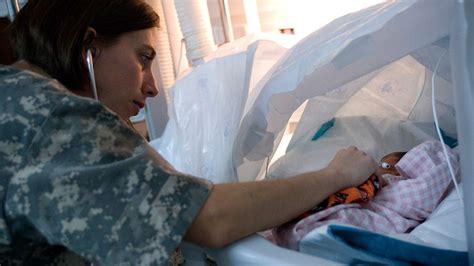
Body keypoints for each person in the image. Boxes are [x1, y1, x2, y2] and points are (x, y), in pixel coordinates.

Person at [0, 0, 376, 264]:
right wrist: (336, 174)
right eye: (143, 59)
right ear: (89, 47)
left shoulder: (18, 94)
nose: (152, 88)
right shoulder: (55, 119)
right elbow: (209, 220)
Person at [271, 140, 457, 250]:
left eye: (386, 165)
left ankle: (313, 234)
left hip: (361, 221)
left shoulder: (402, 188)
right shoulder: (368, 185)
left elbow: (438, 165)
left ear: (405, 170)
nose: (378, 167)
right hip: (292, 224)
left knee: (341, 222)